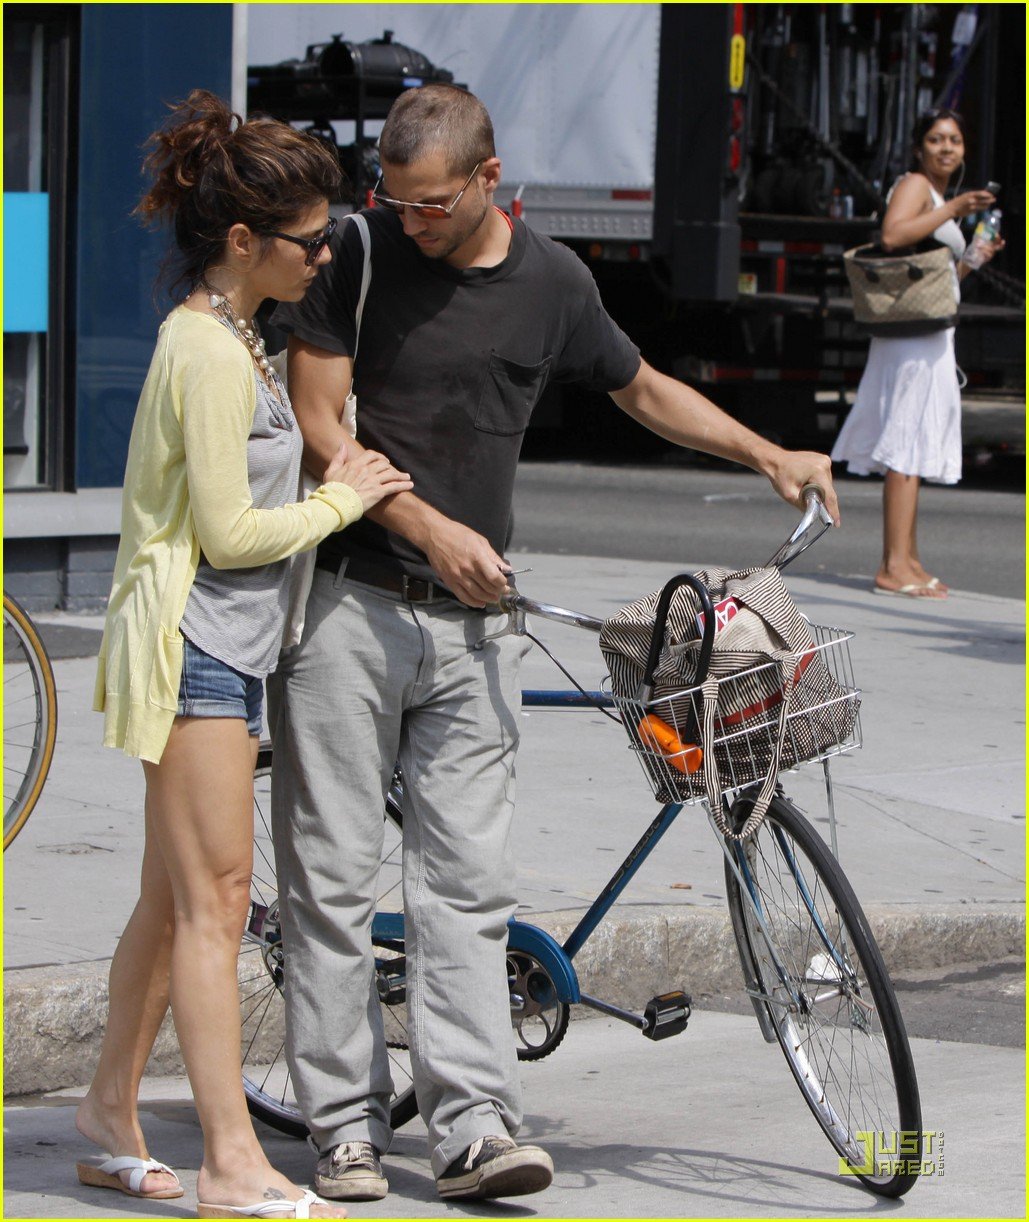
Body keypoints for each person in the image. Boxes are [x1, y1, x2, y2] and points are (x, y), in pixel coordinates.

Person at [268, 83, 840, 1205]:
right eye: (399, 200)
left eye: (433, 203)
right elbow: (321, 430)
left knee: (467, 888)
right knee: (329, 884)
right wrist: (430, 525)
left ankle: (473, 1125)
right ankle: (342, 1127)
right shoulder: (355, 256)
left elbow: (643, 390)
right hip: (352, 602)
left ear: (490, 179)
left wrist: (766, 451)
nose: (413, 220)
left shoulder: (555, 282)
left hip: (480, 631)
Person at [78, 90, 412, 1219]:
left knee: (171, 901)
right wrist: (338, 499)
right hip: (194, 653)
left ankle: (105, 1114)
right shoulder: (209, 354)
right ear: (241, 241)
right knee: (218, 903)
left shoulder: (234, 338)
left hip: (220, 650)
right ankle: (230, 1158)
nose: (325, 253)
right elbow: (225, 534)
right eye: (310, 239)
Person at [832, 108, 1003, 598]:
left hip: (926, 331)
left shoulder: (937, 197)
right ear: (918, 148)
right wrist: (954, 211)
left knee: (916, 442)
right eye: (935, 139)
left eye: (954, 139)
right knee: (905, 444)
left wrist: (971, 259)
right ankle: (892, 566)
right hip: (910, 340)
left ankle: (908, 559)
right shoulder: (915, 186)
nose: (947, 147)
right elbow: (891, 235)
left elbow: (935, 282)